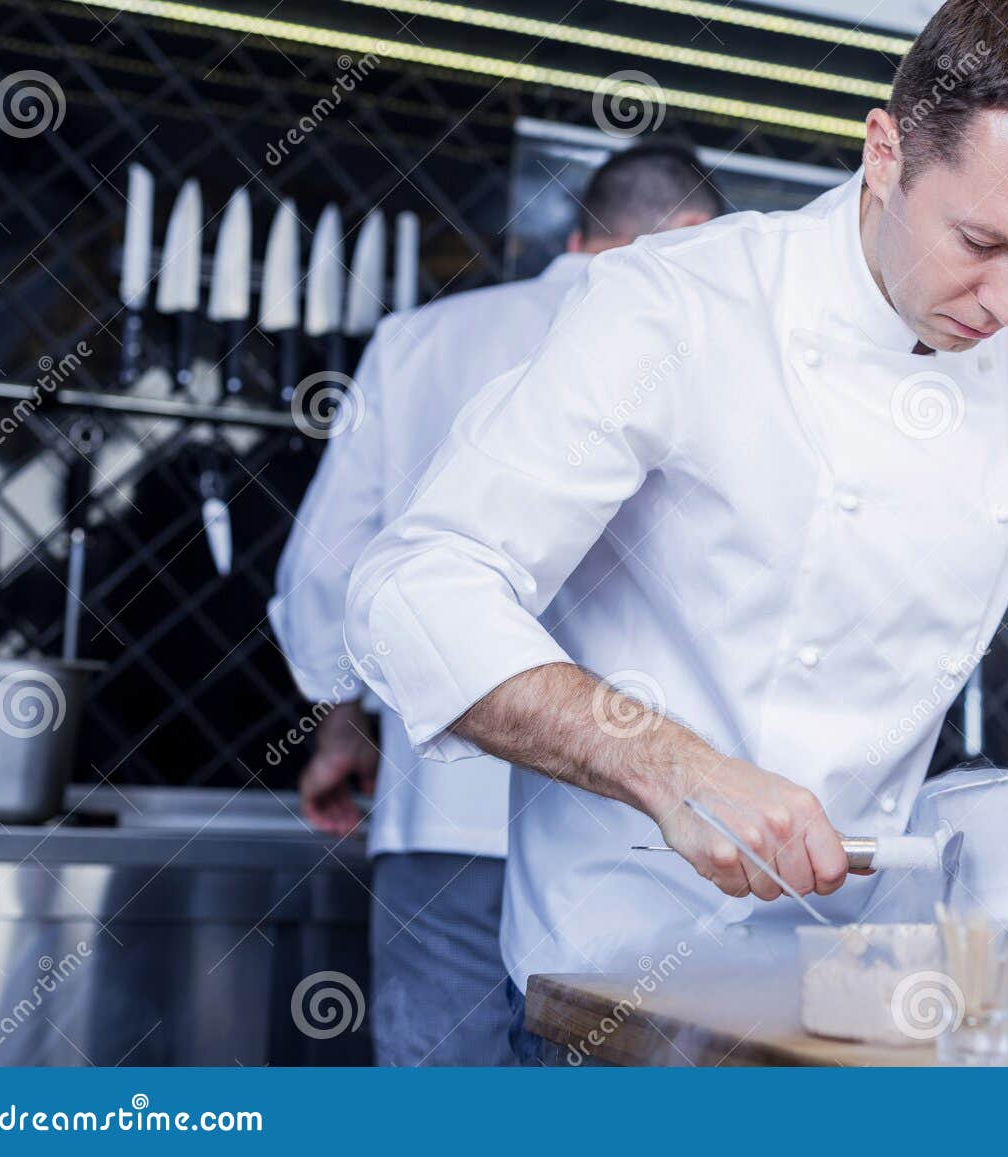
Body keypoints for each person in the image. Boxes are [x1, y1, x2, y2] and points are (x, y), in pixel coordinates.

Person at [345, 0, 1008, 1060]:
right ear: (884, 154)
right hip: (617, 995)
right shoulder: (675, 306)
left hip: (859, 994)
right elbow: (416, 588)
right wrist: (668, 764)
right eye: (981, 242)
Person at [268, 143, 724, 1066]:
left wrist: (340, 725)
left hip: (445, 810)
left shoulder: (421, 339)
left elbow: (328, 563)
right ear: (684, 235)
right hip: (636, 836)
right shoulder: (705, 353)